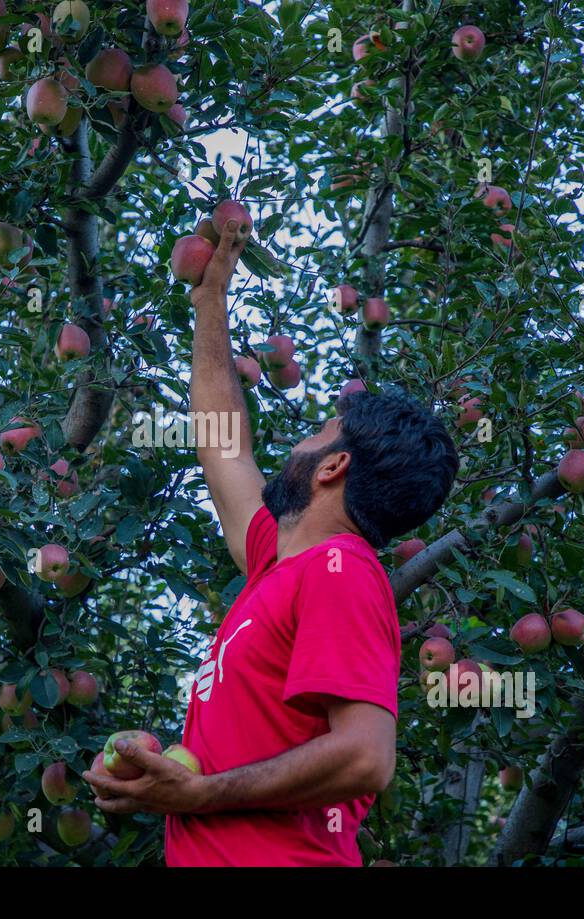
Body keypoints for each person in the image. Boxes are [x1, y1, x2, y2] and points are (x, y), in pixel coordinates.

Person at [82, 218, 458, 865]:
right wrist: (210, 304)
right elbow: (225, 446)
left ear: (333, 467)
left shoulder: (340, 569)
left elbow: (368, 755)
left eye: (316, 432)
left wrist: (200, 795)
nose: (298, 443)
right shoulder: (279, 568)